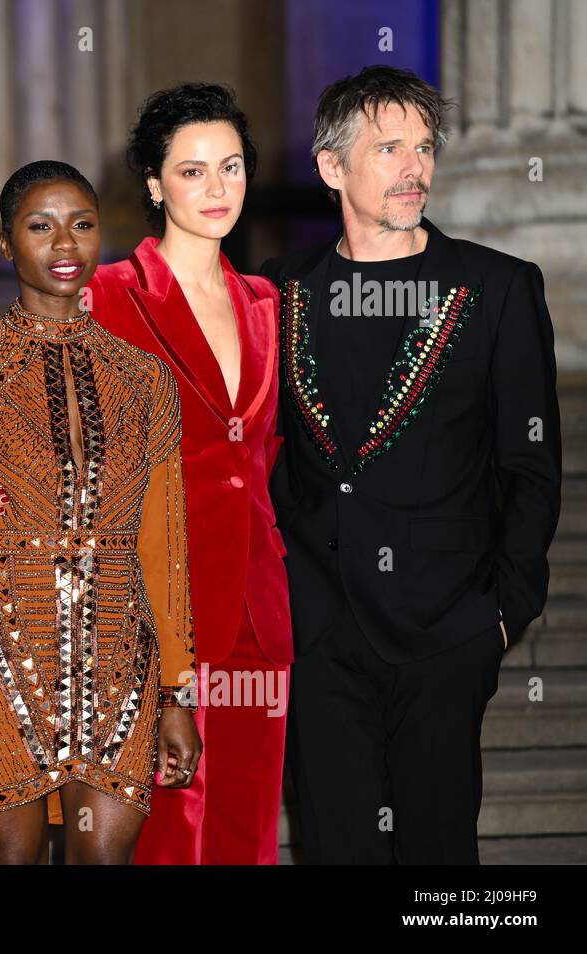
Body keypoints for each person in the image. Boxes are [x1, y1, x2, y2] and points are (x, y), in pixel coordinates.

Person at [261, 65, 561, 863]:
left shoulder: (496, 289)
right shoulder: (283, 294)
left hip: (447, 629)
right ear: (332, 168)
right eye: (388, 147)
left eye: (423, 147)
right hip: (322, 631)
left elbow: (531, 466)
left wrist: (503, 611)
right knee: (335, 846)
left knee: (438, 854)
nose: (414, 168)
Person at [0, 160, 201, 865]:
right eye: (41, 226)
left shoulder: (144, 377)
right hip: (1, 649)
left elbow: (166, 547)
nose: (66, 243)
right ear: (6, 243)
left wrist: (178, 689)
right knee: (9, 859)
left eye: (82, 225)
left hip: (119, 649)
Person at [87, 83, 293, 864]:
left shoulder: (267, 303)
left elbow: (263, 459)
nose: (217, 189)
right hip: (152, 608)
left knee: (246, 826)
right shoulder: (109, 296)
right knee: (168, 831)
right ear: (153, 181)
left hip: (256, 605)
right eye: (193, 170)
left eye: (232, 168)